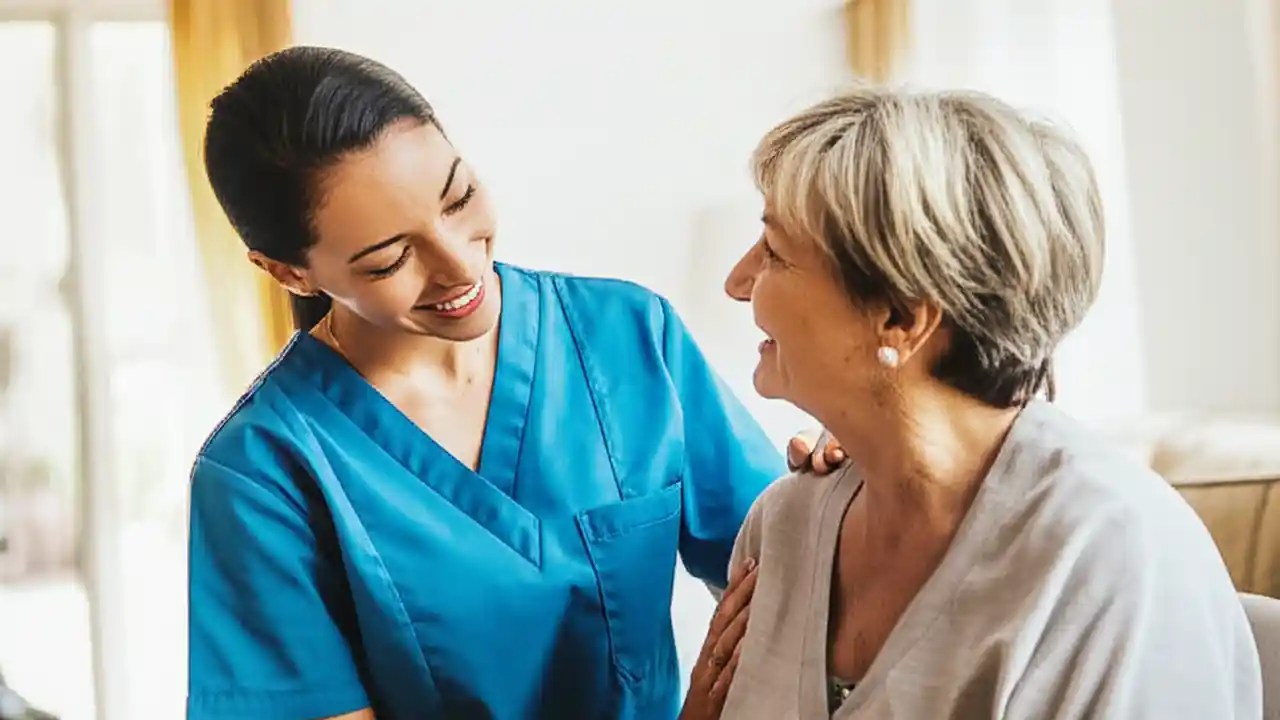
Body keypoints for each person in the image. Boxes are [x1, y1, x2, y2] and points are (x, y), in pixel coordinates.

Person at [186, 46, 839, 720]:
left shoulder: (628, 336)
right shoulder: (261, 474)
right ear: (290, 273)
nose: (458, 265)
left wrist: (849, 481)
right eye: (391, 259)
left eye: (459, 199)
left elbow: (803, 582)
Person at [708, 88, 1263, 718]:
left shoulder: (1111, 559)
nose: (737, 281)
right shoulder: (783, 527)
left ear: (899, 317)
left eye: (775, 253)